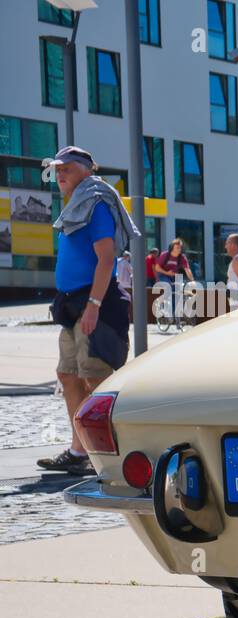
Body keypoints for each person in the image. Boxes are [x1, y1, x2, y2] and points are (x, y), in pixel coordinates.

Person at [36, 146, 139, 477]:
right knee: (69, 375)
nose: (60, 174)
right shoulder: (75, 206)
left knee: (96, 376)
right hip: (72, 304)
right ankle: (79, 451)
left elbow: (106, 258)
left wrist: (94, 306)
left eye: (66, 167)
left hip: (94, 303)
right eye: (57, 169)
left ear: (85, 170)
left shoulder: (94, 205)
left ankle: (128, 446)